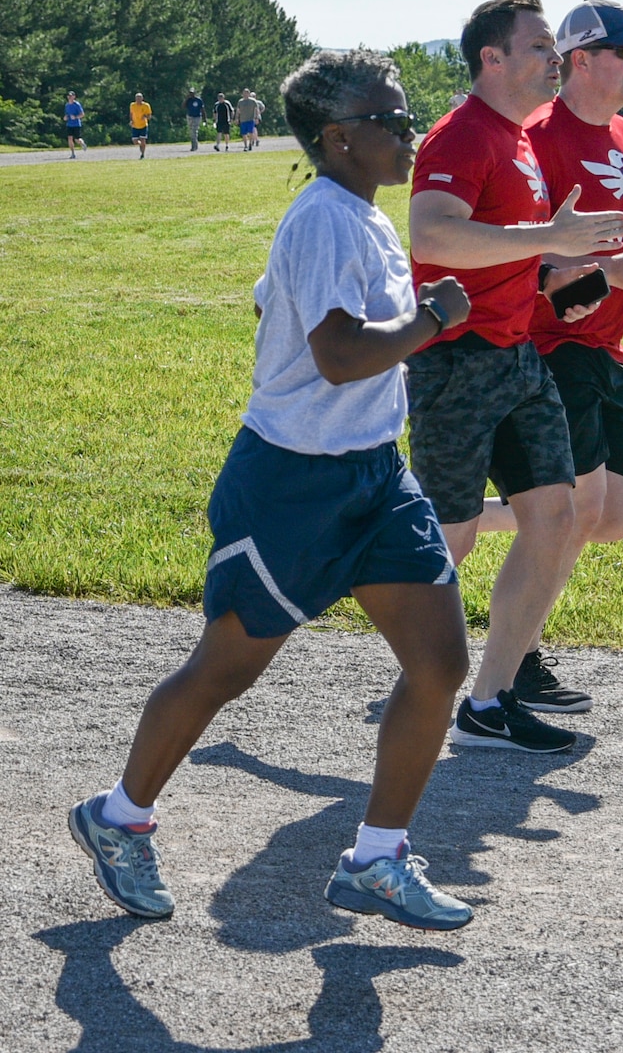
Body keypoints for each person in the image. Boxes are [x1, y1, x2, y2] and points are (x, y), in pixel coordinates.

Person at [69, 48, 476, 933]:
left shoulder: (360, 216)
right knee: (224, 671)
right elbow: (339, 357)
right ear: (339, 137)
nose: (409, 132)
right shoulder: (325, 217)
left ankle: (376, 859)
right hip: (292, 483)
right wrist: (432, 320)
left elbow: (270, 303)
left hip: (375, 474)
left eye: (408, 115)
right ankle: (118, 816)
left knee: (441, 663)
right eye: (391, 119)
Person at [406, 0, 623, 753]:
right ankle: (292, 583)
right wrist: (547, 238)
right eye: (539, 47)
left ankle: (488, 703)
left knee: (556, 518)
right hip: (455, 363)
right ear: (492, 58)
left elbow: (515, 250)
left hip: (518, 358)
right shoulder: (462, 134)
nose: (553, 59)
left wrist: (574, 273)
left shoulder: (517, 139)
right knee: (449, 539)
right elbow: (434, 238)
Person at [479, 0, 623, 704]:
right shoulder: (536, 135)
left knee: (614, 517)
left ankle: (455, 516)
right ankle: (517, 665)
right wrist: (608, 273)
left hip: (607, 347)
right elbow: (520, 256)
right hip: (549, 342)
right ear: (579, 59)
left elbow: (620, 245)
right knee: (577, 508)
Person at [129, 93, 152, 158]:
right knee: (135, 141)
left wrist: (145, 116)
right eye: (137, 98)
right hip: (135, 125)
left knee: (143, 139)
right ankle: (141, 144)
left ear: (142, 98)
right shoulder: (132, 105)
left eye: (139, 98)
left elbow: (149, 116)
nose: (138, 100)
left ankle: (142, 154)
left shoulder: (146, 105)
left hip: (143, 125)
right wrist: (131, 121)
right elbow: (131, 114)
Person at [64, 91, 86, 157]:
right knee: (70, 138)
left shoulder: (77, 104)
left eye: (71, 96)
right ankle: (73, 153)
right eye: (69, 96)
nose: (70, 97)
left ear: (74, 97)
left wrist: (75, 117)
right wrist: (65, 118)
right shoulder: (67, 105)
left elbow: (82, 114)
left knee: (77, 139)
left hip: (76, 124)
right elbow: (66, 114)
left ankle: (82, 144)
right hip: (69, 124)